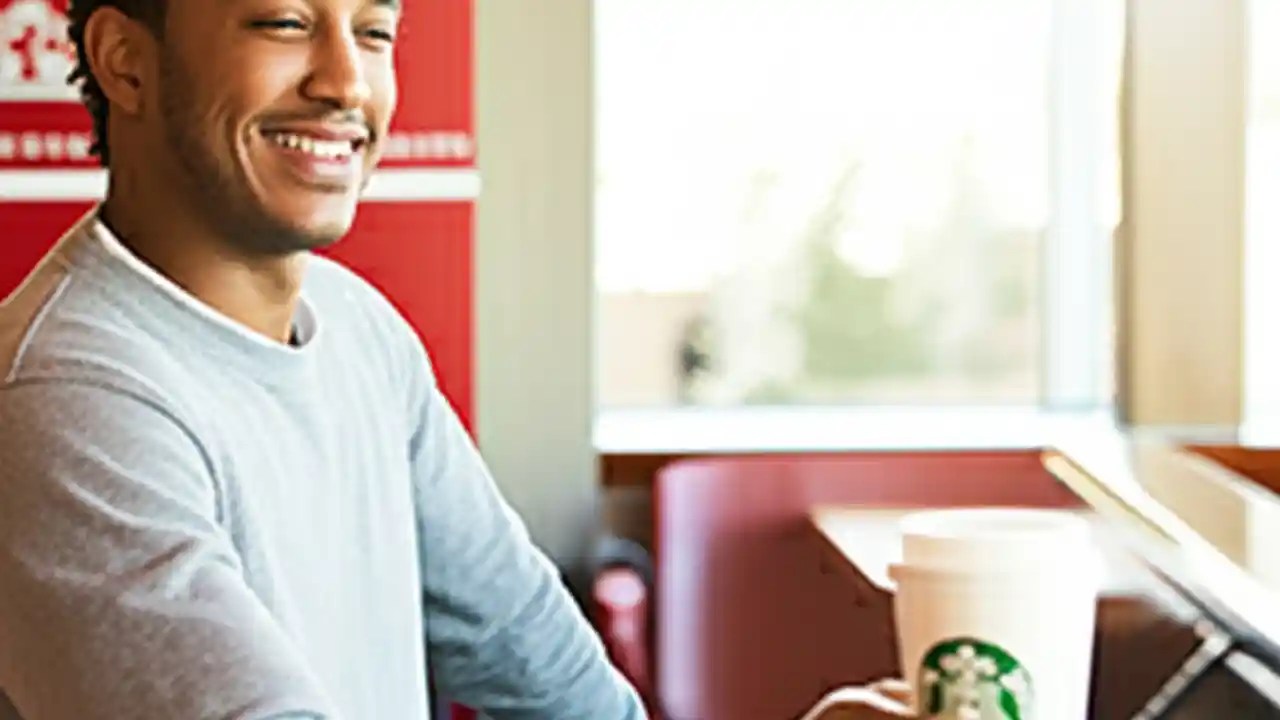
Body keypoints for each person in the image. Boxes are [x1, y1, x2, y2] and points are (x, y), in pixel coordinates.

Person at [0, 1, 913, 718]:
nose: (344, 82)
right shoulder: (65, 401)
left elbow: (538, 659)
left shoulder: (360, 328)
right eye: (283, 23)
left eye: (375, 31)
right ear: (126, 60)